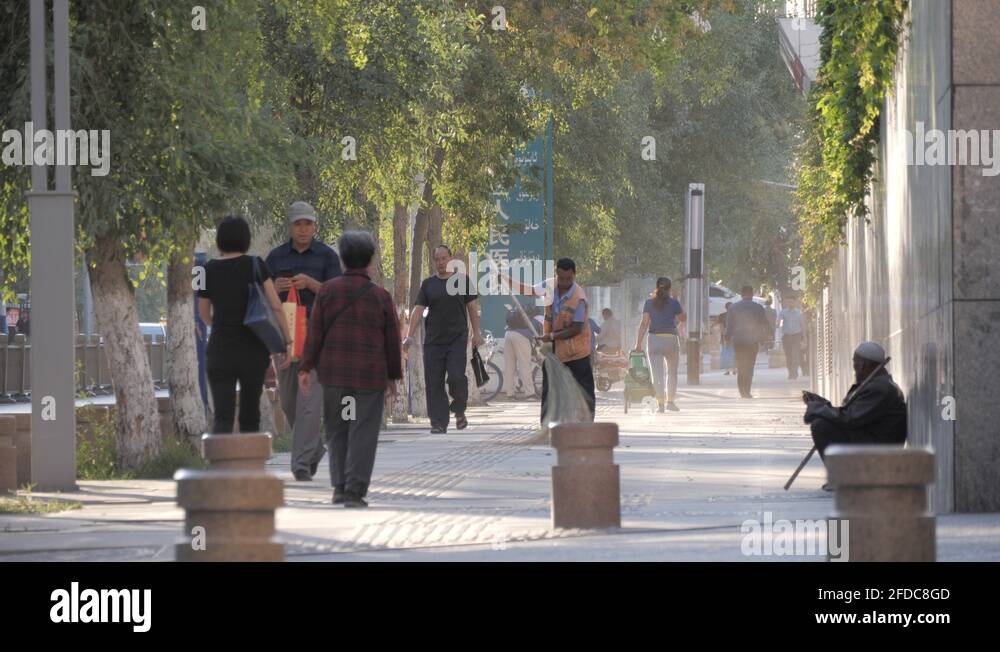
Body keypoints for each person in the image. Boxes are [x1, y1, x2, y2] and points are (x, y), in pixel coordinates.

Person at [298, 231, 401, 508]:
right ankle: (355, 491)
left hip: (336, 379)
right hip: (368, 381)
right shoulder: (381, 297)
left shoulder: (328, 291)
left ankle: (340, 488)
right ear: (369, 260)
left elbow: (315, 334)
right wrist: (393, 377)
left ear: (342, 259)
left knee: (339, 429)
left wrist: (306, 367)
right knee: (363, 432)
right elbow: (392, 340)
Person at [266, 200, 343, 481]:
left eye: (307, 224)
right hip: (284, 335)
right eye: (298, 224)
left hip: (316, 333)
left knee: (308, 399)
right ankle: (314, 449)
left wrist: (311, 284)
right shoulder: (274, 258)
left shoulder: (327, 257)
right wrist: (273, 287)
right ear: (290, 226)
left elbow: (337, 294)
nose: (303, 229)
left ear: (314, 226)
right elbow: (260, 294)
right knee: (288, 400)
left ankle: (299, 464)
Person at [197, 215, 292, 434]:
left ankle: (221, 466)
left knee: (222, 417)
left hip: (220, 351)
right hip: (253, 351)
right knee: (250, 416)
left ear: (220, 240)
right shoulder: (256, 264)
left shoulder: (207, 269)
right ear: (246, 239)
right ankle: (250, 465)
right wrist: (287, 342)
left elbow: (203, 312)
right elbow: (276, 306)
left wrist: (220, 326)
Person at [403, 245, 482, 433]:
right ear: (434, 261)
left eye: (444, 258)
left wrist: (476, 333)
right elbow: (418, 310)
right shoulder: (428, 285)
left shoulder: (462, 281)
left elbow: (472, 307)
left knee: (456, 377)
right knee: (434, 382)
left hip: (456, 340)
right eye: (437, 259)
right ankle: (438, 422)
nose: (440, 262)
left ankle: (459, 410)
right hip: (433, 342)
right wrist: (409, 336)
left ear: (451, 259)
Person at [506, 258, 595, 423]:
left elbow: (577, 328)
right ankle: (547, 426)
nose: (565, 283)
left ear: (574, 275)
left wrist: (551, 336)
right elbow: (530, 290)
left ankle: (585, 427)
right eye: (561, 278)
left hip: (577, 351)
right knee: (550, 389)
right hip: (555, 349)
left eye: (569, 279)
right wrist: (507, 280)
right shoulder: (550, 285)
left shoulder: (579, 298)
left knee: (584, 391)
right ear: (556, 274)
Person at [803, 341, 907, 462]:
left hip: (878, 447)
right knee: (824, 423)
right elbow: (851, 412)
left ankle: (843, 477)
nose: (854, 367)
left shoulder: (879, 388)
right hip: (872, 440)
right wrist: (823, 404)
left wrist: (818, 408)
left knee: (821, 426)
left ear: (862, 365)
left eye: (855, 362)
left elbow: (849, 418)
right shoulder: (877, 383)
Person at [633, 277, 686, 412]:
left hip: (654, 340)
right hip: (671, 341)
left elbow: (644, 323)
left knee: (657, 374)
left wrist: (638, 343)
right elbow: (683, 318)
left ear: (656, 287)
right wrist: (677, 301)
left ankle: (660, 404)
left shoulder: (649, 303)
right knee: (672, 373)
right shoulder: (674, 303)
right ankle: (671, 402)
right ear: (669, 289)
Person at [725, 285, 769, 398]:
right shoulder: (758, 307)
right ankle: (747, 391)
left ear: (741, 293)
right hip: (752, 341)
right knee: (750, 366)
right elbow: (764, 323)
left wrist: (727, 337)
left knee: (740, 366)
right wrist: (766, 337)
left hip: (738, 341)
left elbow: (729, 325)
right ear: (752, 293)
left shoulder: (733, 307)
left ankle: (742, 391)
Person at [500, 302, 537, 401]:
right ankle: (530, 394)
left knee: (509, 367)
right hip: (521, 337)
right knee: (524, 366)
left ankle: (510, 395)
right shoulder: (535, 319)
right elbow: (537, 336)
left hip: (508, 335)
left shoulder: (516, 313)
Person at [778, 298, 805, 379]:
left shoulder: (799, 313)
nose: (790, 303)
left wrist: (804, 337)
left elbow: (802, 325)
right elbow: (779, 322)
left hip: (796, 336)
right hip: (786, 336)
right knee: (788, 355)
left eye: (792, 302)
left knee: (795, 355)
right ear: (786, 302)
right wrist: (778, 323)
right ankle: (790, 372)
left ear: (795, 303)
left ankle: (794, 372)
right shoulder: (783, 312)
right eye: (789, 302)